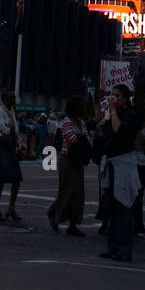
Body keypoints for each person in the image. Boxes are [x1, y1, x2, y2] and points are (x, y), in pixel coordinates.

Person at [98, 85, 140, 262]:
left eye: (117, 95)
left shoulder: (130, 115)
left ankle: (124, 248)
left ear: (125, 98)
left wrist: (113, 111)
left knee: (124, 208)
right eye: (112, 95)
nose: (113, 98)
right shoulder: (112, 114)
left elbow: (119, 130)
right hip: (112, 163)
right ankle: (113, 246)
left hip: (123, 164)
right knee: (112, 209)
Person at [47, 97, 90, 235]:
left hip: (77, 159)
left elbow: (85, 138)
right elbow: (74, 139)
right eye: (80, 106)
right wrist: (84, 142)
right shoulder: (66, 122)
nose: (83, 108)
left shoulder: (81, 122)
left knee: (79, 192)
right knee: (67, 190)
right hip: (67, 159)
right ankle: (54, 213)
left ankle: (73, 223)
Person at [0, 91, 23, 222]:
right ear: (4, 99)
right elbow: (4, 129)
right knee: (1, 178)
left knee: (17, 178)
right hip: (1, 144)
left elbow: (15, 128)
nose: (13, 100)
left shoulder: (11, 111)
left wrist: (15, 136)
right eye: (11, 98)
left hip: (10, 145)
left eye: (14, 98)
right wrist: (12, 132)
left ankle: (11, 208)